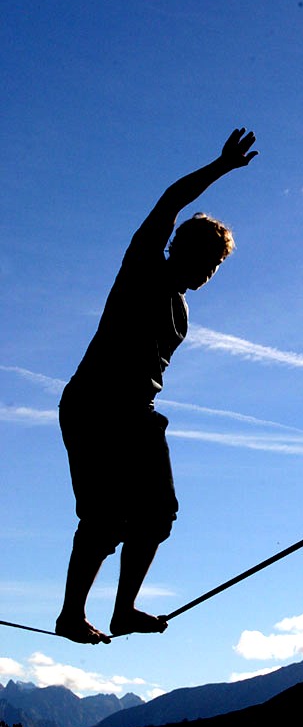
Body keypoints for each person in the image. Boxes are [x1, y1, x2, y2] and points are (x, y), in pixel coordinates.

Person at [56, 128, 258, 644]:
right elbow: (170, 200)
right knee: (106, 518)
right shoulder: (143, 265)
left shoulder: (182, 312)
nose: (210, 273)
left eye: (217, 267)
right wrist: (220, 167)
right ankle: (71, 614)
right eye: (207, 261)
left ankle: (123, 610)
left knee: (158, 514)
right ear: (180, 249)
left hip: (137, 414)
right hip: (94, 405)